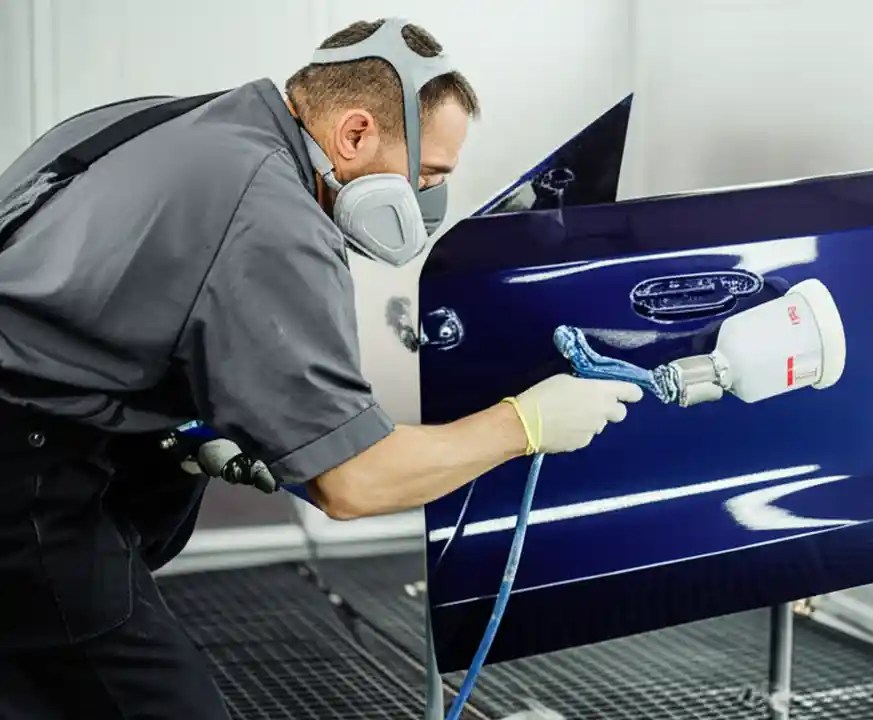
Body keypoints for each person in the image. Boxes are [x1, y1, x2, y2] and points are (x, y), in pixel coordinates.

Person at [0, 16, 641, 719]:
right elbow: (354, 482)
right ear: (356, 133)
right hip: (27, 486)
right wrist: (527, 423)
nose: (428, 204)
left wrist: (198, 423)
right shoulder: (270, 210)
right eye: (427, 175)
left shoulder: (172, 124)